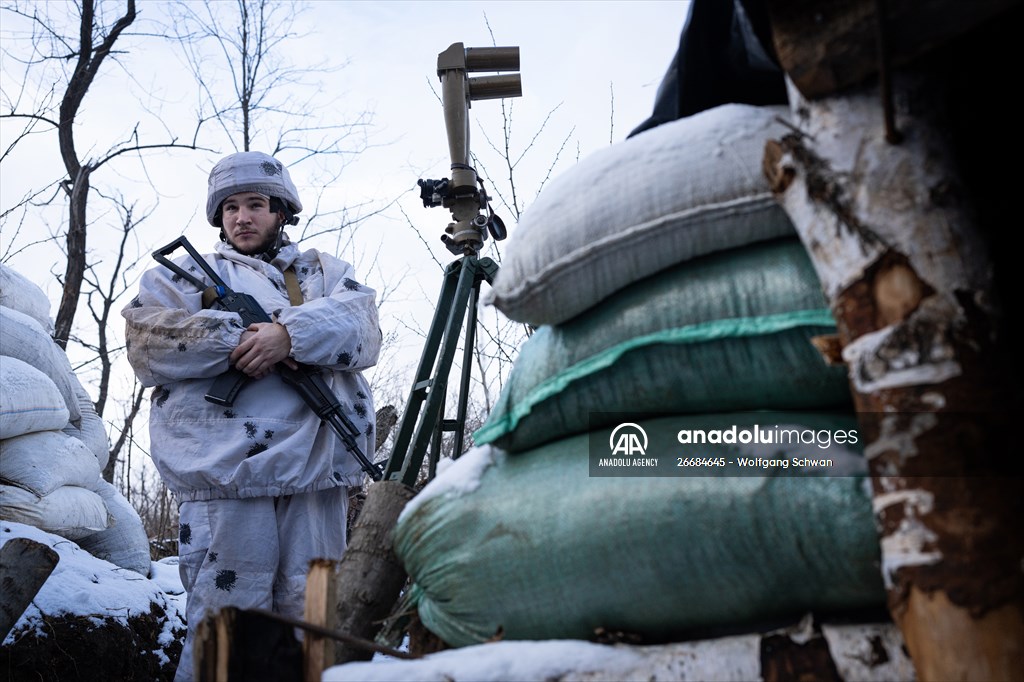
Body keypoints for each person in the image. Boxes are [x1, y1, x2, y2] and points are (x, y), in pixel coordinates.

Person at [122, 151, 381, 681]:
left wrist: (288, 334)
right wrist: (235, 337)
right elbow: (148, 341)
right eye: (232, 207)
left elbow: (362, 327)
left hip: (314, 472)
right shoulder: (188, 275)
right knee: (227, 620)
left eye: (257, 204)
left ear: (281, 210)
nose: (243, 217)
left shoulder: (322, 273)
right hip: (227, 476)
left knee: (314, 617)